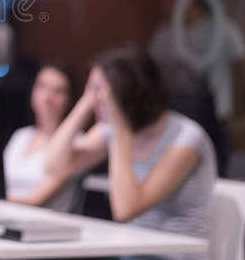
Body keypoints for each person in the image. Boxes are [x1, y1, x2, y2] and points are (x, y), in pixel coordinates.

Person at [46, 45, 216, 260]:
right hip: (134, 255)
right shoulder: (114, 131)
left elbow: (125, 209)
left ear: (128, 94)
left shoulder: (186, 138)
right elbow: (54, 167)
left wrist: (119, 127)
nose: (98, 100)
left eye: (103, 92)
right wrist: (86, 102)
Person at [148, 0, 245, 174]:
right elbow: (153, 77)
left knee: (216, 173)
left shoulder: (222, 29)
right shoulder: (164, 34)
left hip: (217, 118)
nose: (165, 5)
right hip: (175, 118)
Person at [2, 64, 81, 211]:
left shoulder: (76, 141)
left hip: (48, 227)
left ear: (69, 99)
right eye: (42, 86)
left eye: (58, 91)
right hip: (4, 218)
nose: (47, 97)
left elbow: (37, 201)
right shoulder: (21, 135)